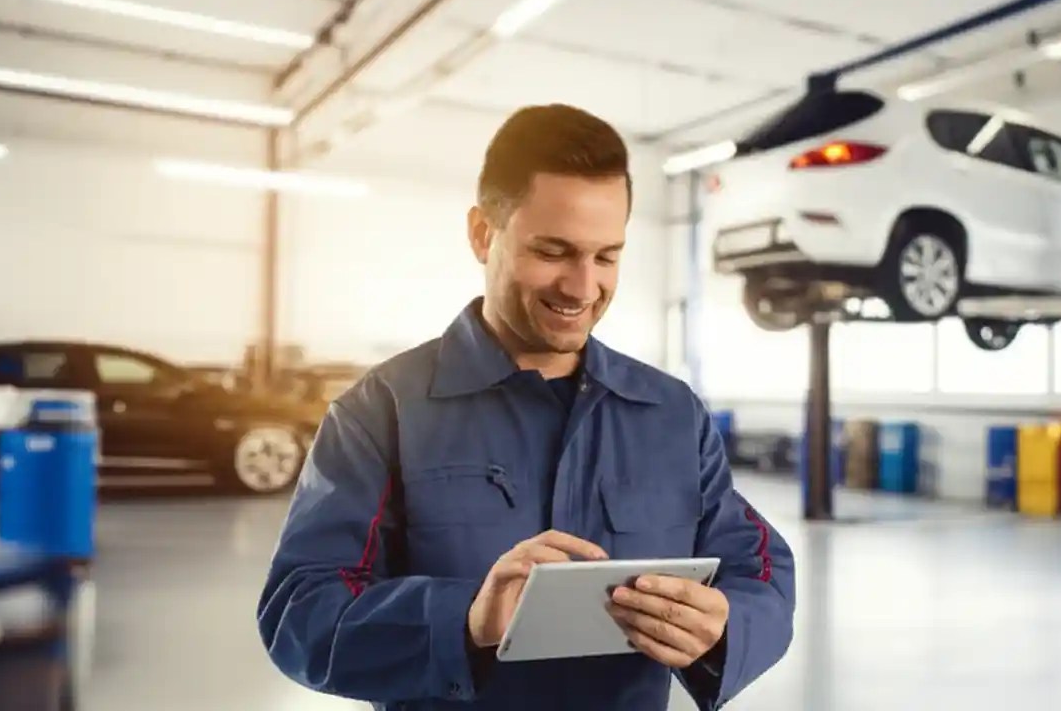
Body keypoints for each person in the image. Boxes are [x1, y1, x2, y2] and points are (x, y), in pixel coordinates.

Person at [256, 103, 795, 711]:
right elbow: (300, 611)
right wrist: (464, 619)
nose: (583, 287)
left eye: (606, 256)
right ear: (483, 234)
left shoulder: (671, 414)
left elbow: (761, 569)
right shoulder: (382, 411)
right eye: (553, 251)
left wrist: (727, 624)